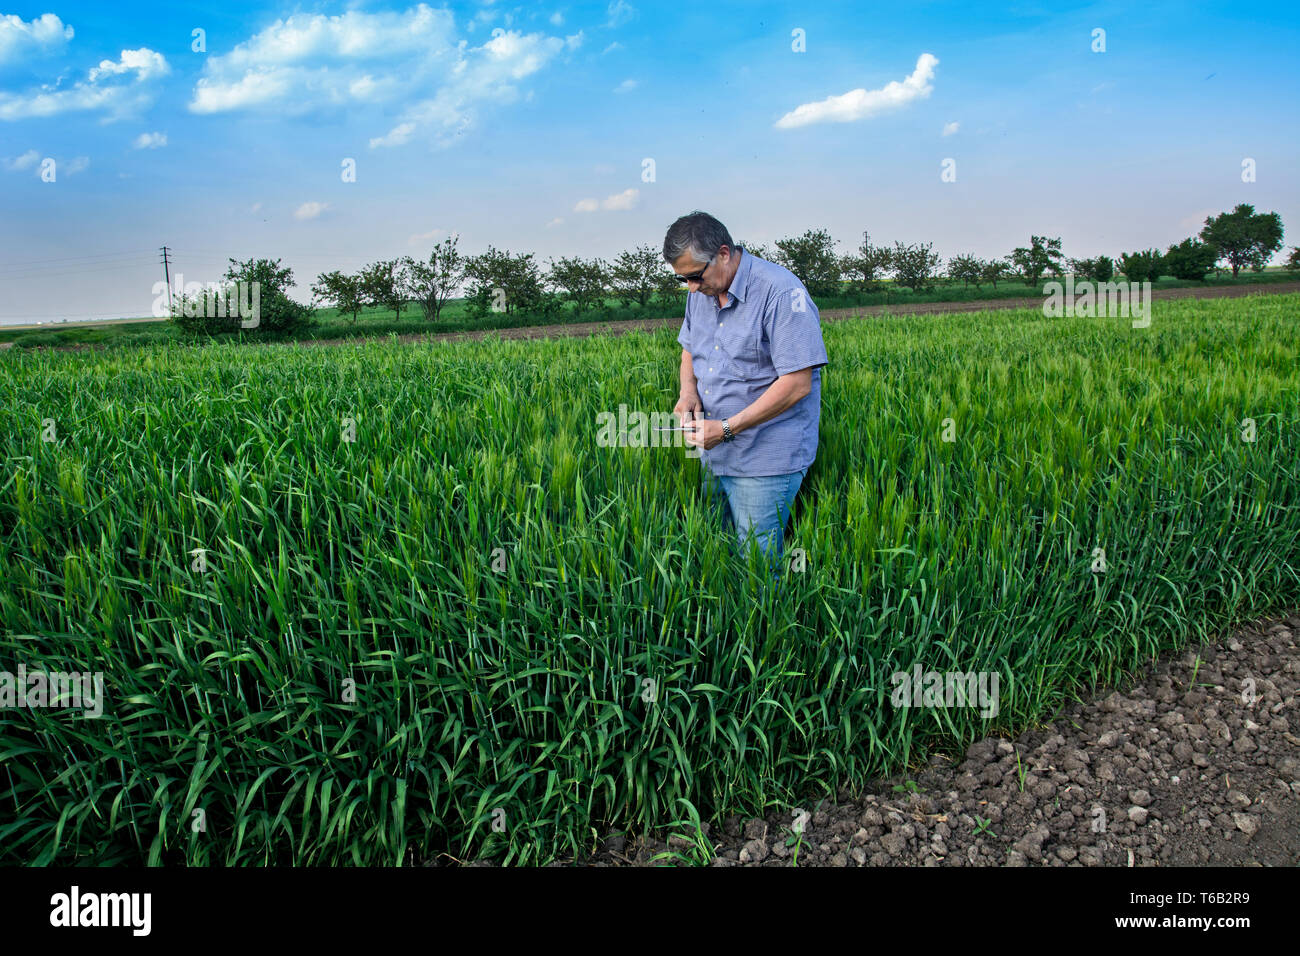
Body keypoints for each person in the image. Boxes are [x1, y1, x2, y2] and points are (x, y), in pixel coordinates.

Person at [664, 210, 828, 572]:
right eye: (682, 280)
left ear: (723, 253)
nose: (690, 288)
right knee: (719, 549)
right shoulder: (702, 292)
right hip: (714, 451)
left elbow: (797, 384)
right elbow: (690, 347)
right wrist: (687, 391)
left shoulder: (782, 293)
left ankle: (766, 628)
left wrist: (725, 429)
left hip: (766, 457)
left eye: (695, 276)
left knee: (757, 565)